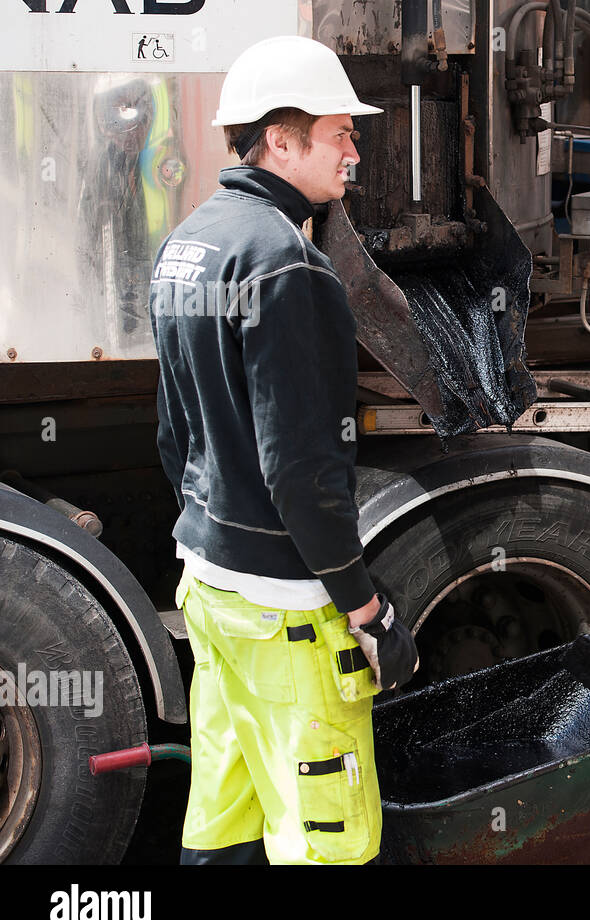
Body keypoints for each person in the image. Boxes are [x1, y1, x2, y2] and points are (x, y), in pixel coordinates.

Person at [149, 35, 418, 865]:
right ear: (280, 140)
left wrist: (215, 526)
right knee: (325, 838)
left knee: (226, 820)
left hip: (211, 585)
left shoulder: (189, 243)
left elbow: (172, 433)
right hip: (285, 612)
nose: (355, 151)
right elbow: (302, 470)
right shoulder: (288, 266)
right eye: (339, 132)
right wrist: (365, 609)